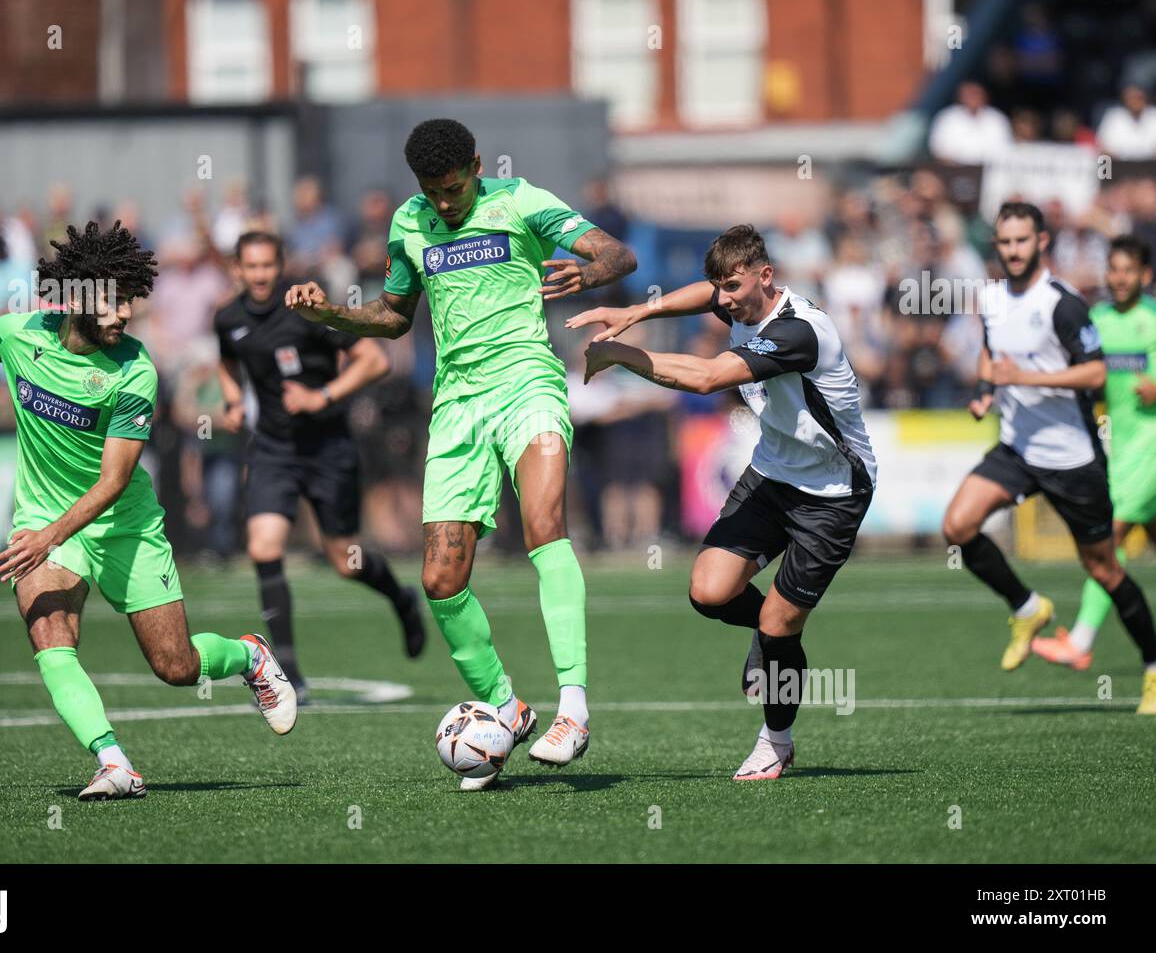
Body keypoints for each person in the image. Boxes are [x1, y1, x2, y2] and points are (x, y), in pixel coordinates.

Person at [0, 221, 298, 800]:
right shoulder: (19, 336)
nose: (123, 318)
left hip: (123, 526)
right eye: (113, 307)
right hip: (47, 525)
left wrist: (46, 536)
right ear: (79, 297)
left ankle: (249, 656)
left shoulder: (135, 371)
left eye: (129, 306)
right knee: (50, 634)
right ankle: (114, 762)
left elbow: (114, 482)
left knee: (176, 666)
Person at [285, 118, 637, 789]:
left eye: (453, 188)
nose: (444, 203)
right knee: (440, 582)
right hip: (456, 408)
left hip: (528, 384)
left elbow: (619, 255)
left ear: (477, 165)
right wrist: (330, 313)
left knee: (544, 529)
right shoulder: (409, 224)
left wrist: (585, 274)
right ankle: (507, 708)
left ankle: (574, 709)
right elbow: (393, 315)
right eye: (432, 191)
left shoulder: (520, 201)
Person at [571, 223, 876, 780]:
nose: (726, 300)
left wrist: (622, 352)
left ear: (767, 276)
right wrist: (639, 311)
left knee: (782, 625)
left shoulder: (799, 333)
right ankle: (767, 631)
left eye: (735, 287)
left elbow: (711, 378)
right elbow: (705, 292)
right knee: (709, 592)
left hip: (833, 492)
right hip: (772, 474)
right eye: (723, 289)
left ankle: (775, 741)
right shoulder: (741, 301)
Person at [939, 203, 1156, 713]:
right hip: (1017, 448)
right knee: (958, 525)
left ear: (1042, 241)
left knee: (1105, 570)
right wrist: (986, 390)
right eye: (1004, 242)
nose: (1013, 250)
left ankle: (1152, 665)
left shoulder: (1064, 304)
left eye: (1021, 241)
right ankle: (1028, 606)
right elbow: (991, 353)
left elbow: (1096, 375)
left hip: (1072, 459)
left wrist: (1026, 379)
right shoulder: (990, 298)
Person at [216, 231, 425, 701]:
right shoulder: (228, 318)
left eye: (268, 265)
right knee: (265, 547)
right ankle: (288, 673)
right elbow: (228, 364)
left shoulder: (306, 311)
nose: (260, 275)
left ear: (281, 264)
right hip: (272, 450)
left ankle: (401, 598)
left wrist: (321, 395)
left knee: (345, 561)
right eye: (251, 267)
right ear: (237, 270)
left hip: (328, 449)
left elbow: (374, 360)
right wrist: (232, 401)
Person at [1034, 235, 1156, 699]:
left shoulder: (1152, 321)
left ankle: (1081, 641)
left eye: (1128, 270)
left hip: (1150, 446)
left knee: (1113, 535)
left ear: (1144, 275)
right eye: (1114, 268)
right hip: (1118, 448)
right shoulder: (1097, 321)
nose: (1119, 277)